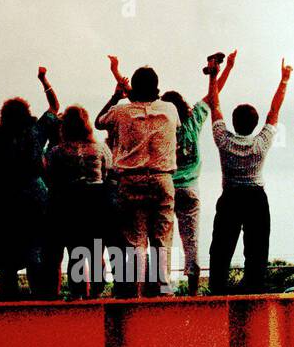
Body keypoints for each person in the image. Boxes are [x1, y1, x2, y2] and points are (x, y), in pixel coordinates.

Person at [206, 56, 290, 294]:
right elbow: (274, 110)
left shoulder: (223, 140)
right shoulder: (261, 144)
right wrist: (284, 80)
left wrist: (213, 75)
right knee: (257, 246)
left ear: (233, 122)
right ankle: (254, 286)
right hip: (255, 197)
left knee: (221, 245)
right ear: (255, 124)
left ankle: (217, 287)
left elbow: (215, 106)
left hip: (231, 196)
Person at [96, 61, 178, 297]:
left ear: (133, 88)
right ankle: (163, 286)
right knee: (162, 236)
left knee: (136, 239)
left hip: (130, 180)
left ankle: (137, 289)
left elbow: (99, 121)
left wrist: (116, 96)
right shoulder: (170, 109)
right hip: (163, 178)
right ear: (157, 87)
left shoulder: (120, 111)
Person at [160, 55, 234, 295]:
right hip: (191, 189)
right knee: (191, 241)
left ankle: (163, 289)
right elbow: (214, 96)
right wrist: (223, 70)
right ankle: (193, 290)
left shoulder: (161, 125)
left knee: (165, 240)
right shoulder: (193, 121)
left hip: (167, 188)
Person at [0, 69, 60, 300]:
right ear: (27, 113)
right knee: (35, 245)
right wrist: (44, 80)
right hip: (35, 191)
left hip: (5, 194)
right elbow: (54, 107)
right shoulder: (36, 132)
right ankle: (39, 292)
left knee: (7, 246)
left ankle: (8, 293)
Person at [46, 106, 111, 299]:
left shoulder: (57, 151)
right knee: (96, 247)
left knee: (75, 250)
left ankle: (78, 291)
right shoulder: (100, 148)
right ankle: (98, 285)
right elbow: (108, 173)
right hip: (96, 202)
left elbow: (51, 178)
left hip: (69, 204)